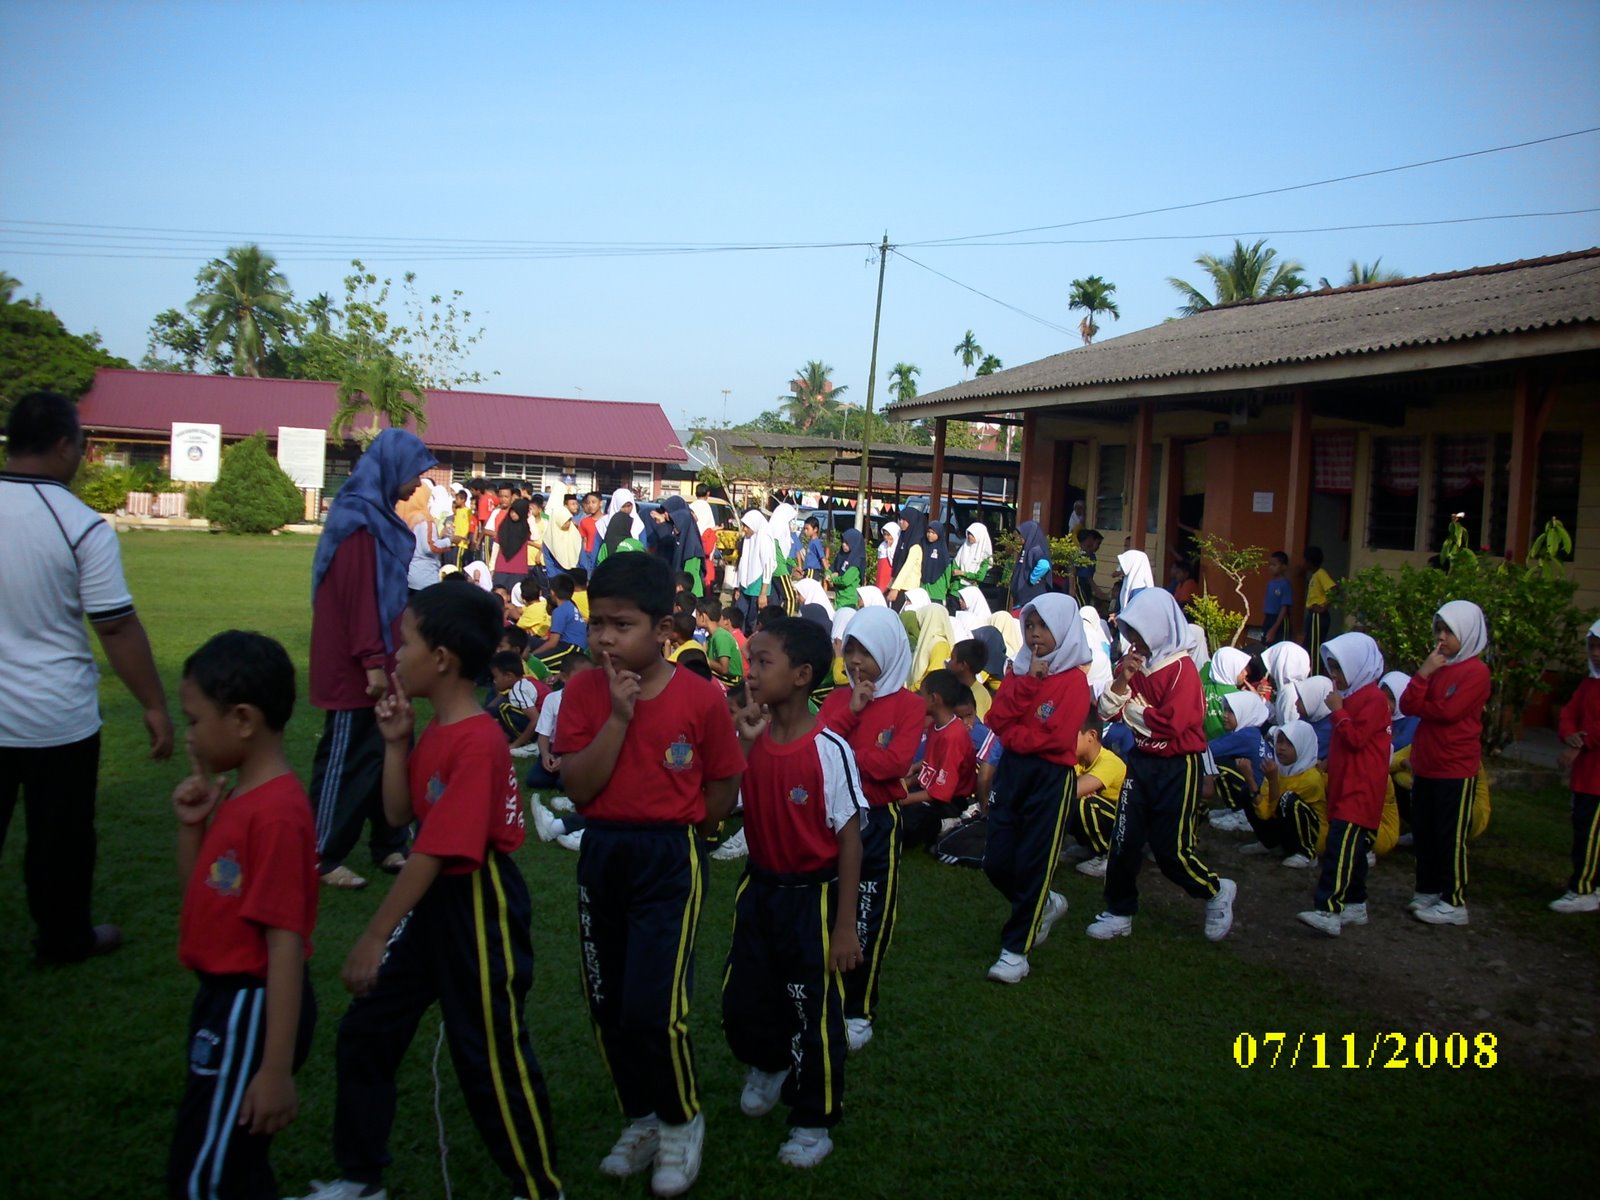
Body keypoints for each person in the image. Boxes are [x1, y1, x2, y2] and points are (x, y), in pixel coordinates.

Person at [299, 584, 562, 1200]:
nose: (394, 655)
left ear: (442, 657)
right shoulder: (440, 732)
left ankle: (539, 1188)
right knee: (367, 1032)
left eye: (406, 642)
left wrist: (372, 935)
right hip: (436, 902)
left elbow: (437, 850)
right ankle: (361, 1179)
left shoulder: (477, 740)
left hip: (480, 904)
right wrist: (397, 743)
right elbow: (401, 813)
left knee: (489, 1056)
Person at [553, 552, 743, 1196]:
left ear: (663, 629)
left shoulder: (699, 697)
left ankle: (681, 1118)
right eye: (596, 622)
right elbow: (578, 788)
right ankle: (640, 1115)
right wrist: (617, 717)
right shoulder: (583, 690)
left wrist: (690, 829)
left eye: (622, 625)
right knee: (608, 1003)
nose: (604, 637)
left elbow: (721, 786)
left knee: (653, 1009)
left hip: (669, 857)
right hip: (604, 853)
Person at [0, 391, 174, 962]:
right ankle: (63, 937)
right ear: (61, 445)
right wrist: (153, 704)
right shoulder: (77, 524)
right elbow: (117, 628)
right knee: (61, 835)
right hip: (56, 715)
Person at [166, 632, 317, 1200]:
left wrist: (275, 1070)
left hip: (251, 1004)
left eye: (195, 720)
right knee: (229, 1157)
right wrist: (192, 828)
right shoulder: (242, 798)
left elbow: (284, 944)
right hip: (225, 1000)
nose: (190, 736)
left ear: (244, 721)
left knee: (207, 1174)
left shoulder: (275, 815)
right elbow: (201, 898)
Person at [725, 617, 864, 1169]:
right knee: (743, 1001)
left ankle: (813, 1120)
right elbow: (722, 801)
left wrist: (846, 925)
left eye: (764, 662)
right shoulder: (748, 736)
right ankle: (768, 1062)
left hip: (813, 898)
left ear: (802, 675)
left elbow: (851, 840)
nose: (751, 673)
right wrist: (740, 742)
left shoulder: (829, 749)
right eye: (749, 660)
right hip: (758, 890)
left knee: (814, 1013)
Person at [307, 428, 436, 890]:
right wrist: (372, 664)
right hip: (357, 666)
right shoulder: (358, 522)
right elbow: (360, 600)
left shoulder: (380, 517)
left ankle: (390, 842)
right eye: (414, 474)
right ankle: (320, 853)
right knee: (348, 756)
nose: (418, 485)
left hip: (384, 657)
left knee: (391, 751)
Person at [1089, 587, 1238, 942]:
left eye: (1140, 632)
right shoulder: (1135, 664)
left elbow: (1176, 723)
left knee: (1171, 849)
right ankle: (1118, 909)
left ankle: (1215, 891)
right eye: (1130, 632)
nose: (1134, 640)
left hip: (1178, 766)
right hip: (1141, 763)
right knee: (1124, 840)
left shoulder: (1181, 669)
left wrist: (1134, 711)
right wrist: (1124, 680)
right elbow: (1107, 711)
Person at [817, 607, 923, 1053]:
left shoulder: (910, 704)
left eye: (867, 652)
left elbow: (896, 763)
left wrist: (849, 760)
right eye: (851, 649)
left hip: (877, 822)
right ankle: (823, 995)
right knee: (825, 909)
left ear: (889, 652)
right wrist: (852, 716)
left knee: (868, 914)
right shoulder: (837, 699)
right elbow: (819, 752)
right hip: (832, 820)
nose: (856, 661)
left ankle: (858, 1008)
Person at [982, 594, 1092, 982]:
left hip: (1049, 777)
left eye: (1042, 626)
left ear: (1062, 629)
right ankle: (1042, 904)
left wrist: (1016, 733)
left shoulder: (1075, 681)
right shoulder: (1021, 670)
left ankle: (1016, 950)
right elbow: (996, 717)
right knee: (996, 860)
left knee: (1033, 860)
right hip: (1013, 771)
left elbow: (1057, 738)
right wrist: (1027, 685)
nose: (1034, 635)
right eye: (1029, 626)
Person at [1403, 600, 1492, 926]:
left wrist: (1428, 701)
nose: (1441, 637)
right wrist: (1424, 674)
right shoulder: (1437, 665)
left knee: (1449, 833)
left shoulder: (1476, 672)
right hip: (1427, 762)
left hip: (1455, 766)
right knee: (1423, 829)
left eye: (1448, 631)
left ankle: (1454, 900)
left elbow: (1448, 712)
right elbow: (1408, 703)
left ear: (1466, 634)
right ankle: (1427, 888)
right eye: (1438, 629)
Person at [1296, 633, 1390, 937]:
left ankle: (1329, 909)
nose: (1334, 676)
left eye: (1339, 669)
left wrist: (1337, 711)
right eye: (1332, 668)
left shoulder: (1373, 699)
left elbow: (1356, 738)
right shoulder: (1356, 697)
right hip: (1347, 785)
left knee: (1340, 850)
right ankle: (1355, 902)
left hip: (1359, 790)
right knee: (1355, 850)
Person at [1553, 618, 1600, 914]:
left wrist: (1581, 741)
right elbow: (1569, 712)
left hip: (1596, 774)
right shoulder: (1589, 683)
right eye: (1593, 647)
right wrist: (1570, 735)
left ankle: (1583, 888)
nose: (1596, 654)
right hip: (1586, 773)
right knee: (1583, 827)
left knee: (1591, 833)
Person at [901, 669, 977, 848]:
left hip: (950, 801)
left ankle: (949, 823)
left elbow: (941, 793)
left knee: (906, 823)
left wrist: (904, 799)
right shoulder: (938, 726)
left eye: (922, 694)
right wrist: (908, 780)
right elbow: (932, 766)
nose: (919, 698)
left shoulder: (953, 736)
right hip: (931, 791)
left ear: (934, 699)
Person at [1240, 721, 1327, 865]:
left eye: (1289, 744)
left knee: (1288, 799)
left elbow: (1277, 809)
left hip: (1313, 836)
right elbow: (1265, 813)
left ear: (1302, 746)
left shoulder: (1311, 778)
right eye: (1279, 742)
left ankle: (1307, 854)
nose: (1281, 748)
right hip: (1286, 829)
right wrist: (1250, 780)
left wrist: (1273, 780)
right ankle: (1271, 844)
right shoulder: (1278, 770)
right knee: (1247, 791)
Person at [1070, 716, 1126, 878]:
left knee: (1086, 803)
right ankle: (1090, 848)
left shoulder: (1109, 761)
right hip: (1109, 817)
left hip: (1126, 826)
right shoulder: (1078, 760)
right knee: (1067, 803)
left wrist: (1080, 787)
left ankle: (1111, 856)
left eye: (1072, 735)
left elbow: (1072, 790)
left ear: (1091, 736)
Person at [530, 573, 588, 671]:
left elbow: (552, 643)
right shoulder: (571, 606)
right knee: (532, 642)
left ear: (552, 592)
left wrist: (532, 656)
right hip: (574, 646)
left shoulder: (560, 611)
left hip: (570, 649)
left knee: (533, 664)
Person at [734, 510, 773, 633]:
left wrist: (763, 593)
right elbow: (743, 563)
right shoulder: (748, 539)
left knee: (753, 620)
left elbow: (768, 565)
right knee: (738, 615)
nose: (744, 529)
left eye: (747, 526)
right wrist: (738, 587)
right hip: (746, 586)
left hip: (758, 586)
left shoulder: (764, 538)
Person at [697, 599, 745, 688]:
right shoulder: (711, 636)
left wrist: (703, 659)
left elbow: (724, 669)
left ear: (703, 617)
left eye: (696, 615)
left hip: (731, 683)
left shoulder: (721, 636)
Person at [1301, 546, 1335, 660]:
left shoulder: (1321, 573)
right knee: (1308, 644)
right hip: (1312, 614)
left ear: (1309, 561)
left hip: (1318, 616)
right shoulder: (1314, 576)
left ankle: (1316, 672)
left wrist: (1324, 607)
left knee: (1314, 647)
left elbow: (1334, 589)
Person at [886, 507, 925, 606]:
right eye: (900, 519)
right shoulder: (903, 538)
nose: (900, 522)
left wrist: (895, 588)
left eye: (904, 520)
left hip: (907, 588)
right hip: (898, 586)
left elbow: (907, 567)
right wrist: (891, 585)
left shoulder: (915, 544)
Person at [946, 639, 993, 720]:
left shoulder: (977, 696)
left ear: (962, 665)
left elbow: (973, 726)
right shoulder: (955, 687)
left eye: (952, 658)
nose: (948, 662)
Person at [1009, 520, 1051, 608]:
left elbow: (1044, 565)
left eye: (1022, 534)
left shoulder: (1036, 549)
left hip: (1030, 597)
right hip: (1022, 598)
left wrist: (1032, 578)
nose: (1020, 537)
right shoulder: (1027, 548)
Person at [1261, 551, 1293, 646]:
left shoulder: (1285, 585)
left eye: (1274, 565)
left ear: (1283, 566)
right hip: (1269, 618)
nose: (1271, 567)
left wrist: (1274, 629)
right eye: (1270, 565)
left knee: (1278, 645)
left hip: (1279, 620)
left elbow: (1284, 608)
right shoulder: (1270, 583)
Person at [829, 527, 866, 609]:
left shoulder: (856, 561)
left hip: (849, 601)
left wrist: (833, 579)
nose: (843, 544)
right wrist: (828, 575)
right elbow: (832, 568)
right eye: (843, 542)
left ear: (854, 543)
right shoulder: (842, 555)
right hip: (839, 598)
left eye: (847, 542)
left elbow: (846, 580)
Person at [953, 522, 992, 591]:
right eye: (968, 533)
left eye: (972, 534)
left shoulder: (985, 556)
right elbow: (954, 568)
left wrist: (963, 573)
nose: (969, 536)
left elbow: (979, 577)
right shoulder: (963, 549)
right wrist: (966, 577)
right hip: (956, 589)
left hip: (971, 590)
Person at [922, 521, 953, 605]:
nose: (929, 535)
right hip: (923, 589)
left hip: (938, 591)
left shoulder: (942, 550)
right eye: (928, 532)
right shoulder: (924, 547)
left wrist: (947, 587)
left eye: (933, 532)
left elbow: (947, 570)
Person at [1074, 529, 1104, 607]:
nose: (1098, 547)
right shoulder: (1079, 554)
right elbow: (1087, 577)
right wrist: (1097, 590)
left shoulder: (1091, 556)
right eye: (1098, 543)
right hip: (1078, 584)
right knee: (1082, 606)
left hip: (1086, 586)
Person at [799, 516, 827, 581]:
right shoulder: (811, 542)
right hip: (808, 571)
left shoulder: (816, 542)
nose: (805, 531)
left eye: (807, 529)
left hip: (812, 571)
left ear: (815, 529)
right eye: (804, 529)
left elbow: (822, 557)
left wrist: (827, 572)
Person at [875, 518, 898, 592]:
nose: (886, 537)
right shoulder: (882, 546)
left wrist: (889, 549)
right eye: (884, 534)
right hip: (881, 575)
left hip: (890, 576)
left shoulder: (897, 547)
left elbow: (893, 563)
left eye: (889, 535)